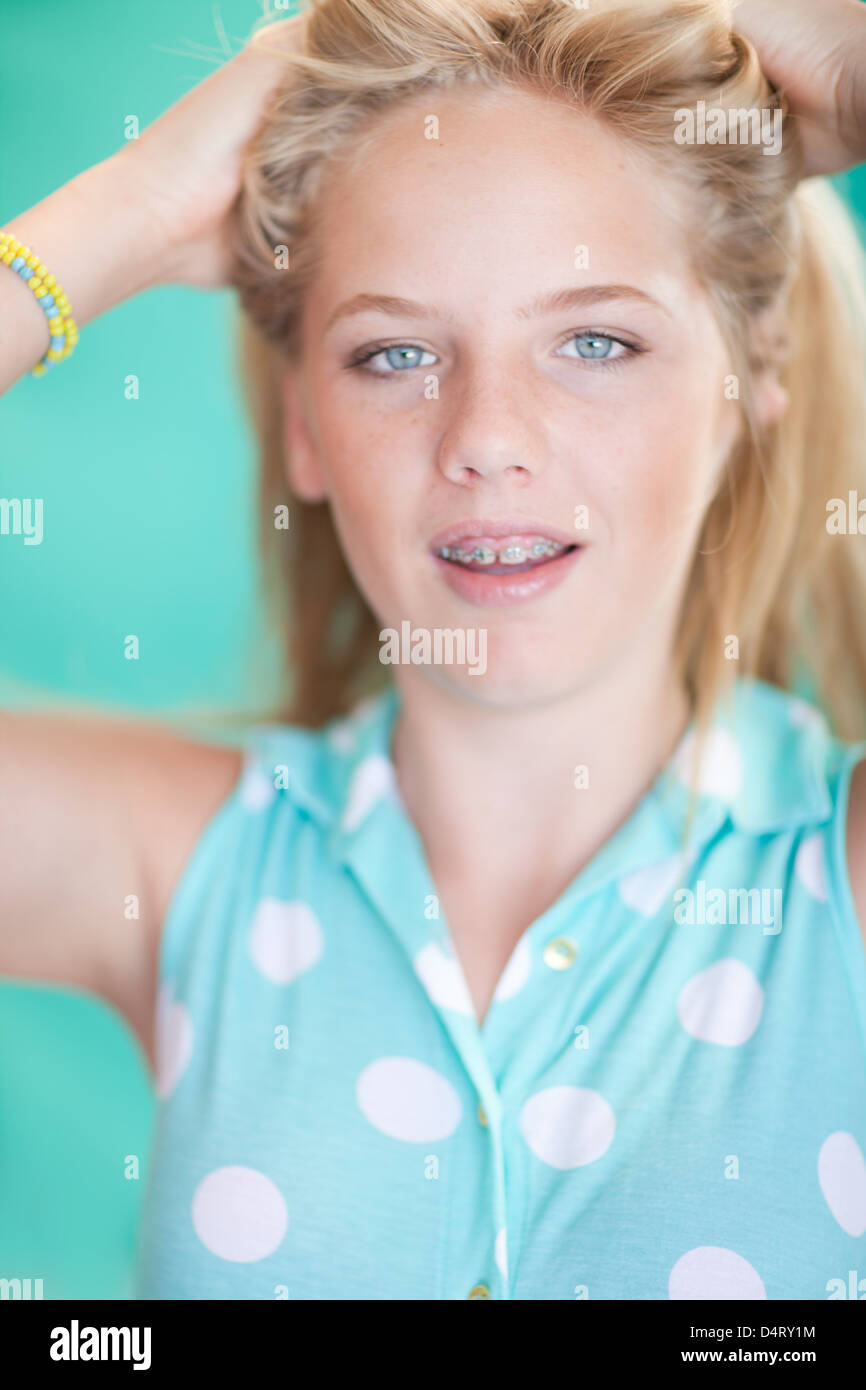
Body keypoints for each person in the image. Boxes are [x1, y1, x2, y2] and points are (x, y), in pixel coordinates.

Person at [2, 0, 866, 1301]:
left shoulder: (834, 893)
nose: (486, 436)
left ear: (748, 380)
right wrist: (121, 213)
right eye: (395, 351)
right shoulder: (179, 867)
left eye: (594, 341)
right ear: (303, 425)